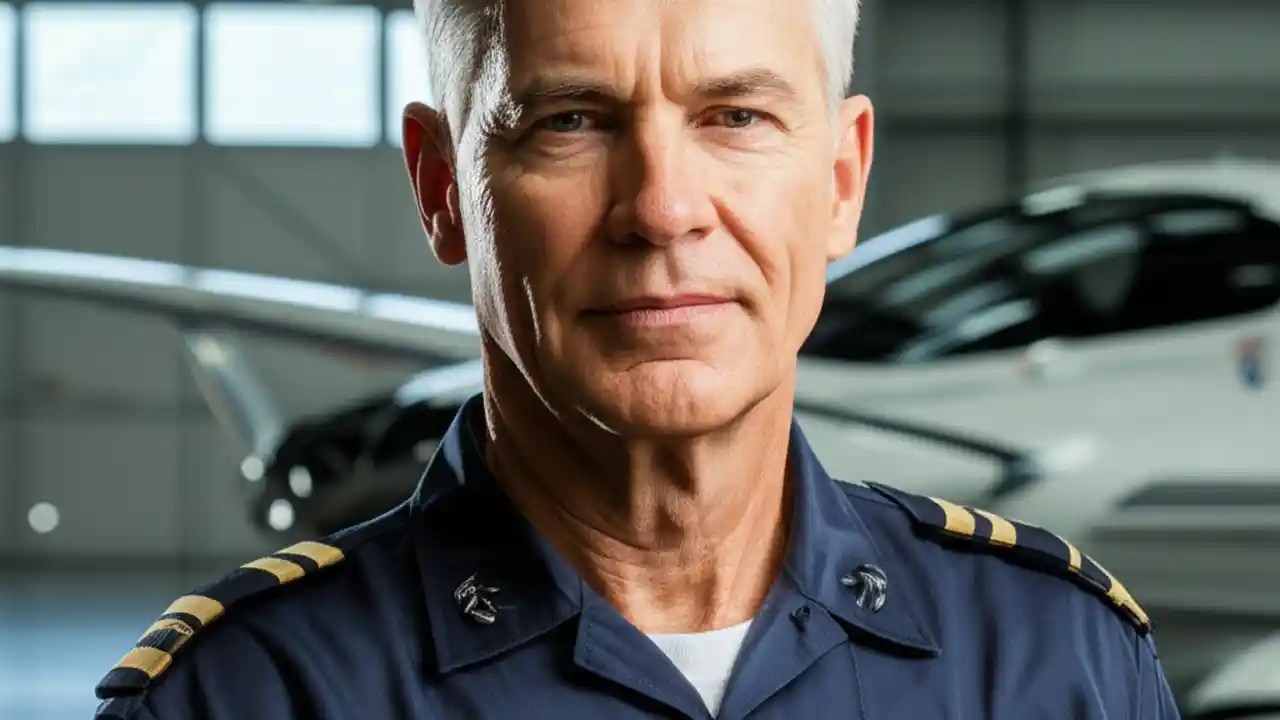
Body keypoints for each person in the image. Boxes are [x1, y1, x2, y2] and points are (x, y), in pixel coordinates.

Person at [94, 0, 1180, 717]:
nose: (662, 210)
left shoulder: (1057, 666)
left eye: (737, 116)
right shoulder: (252, 694)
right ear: (442, 189)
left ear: (842, 181)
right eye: (569, 120)